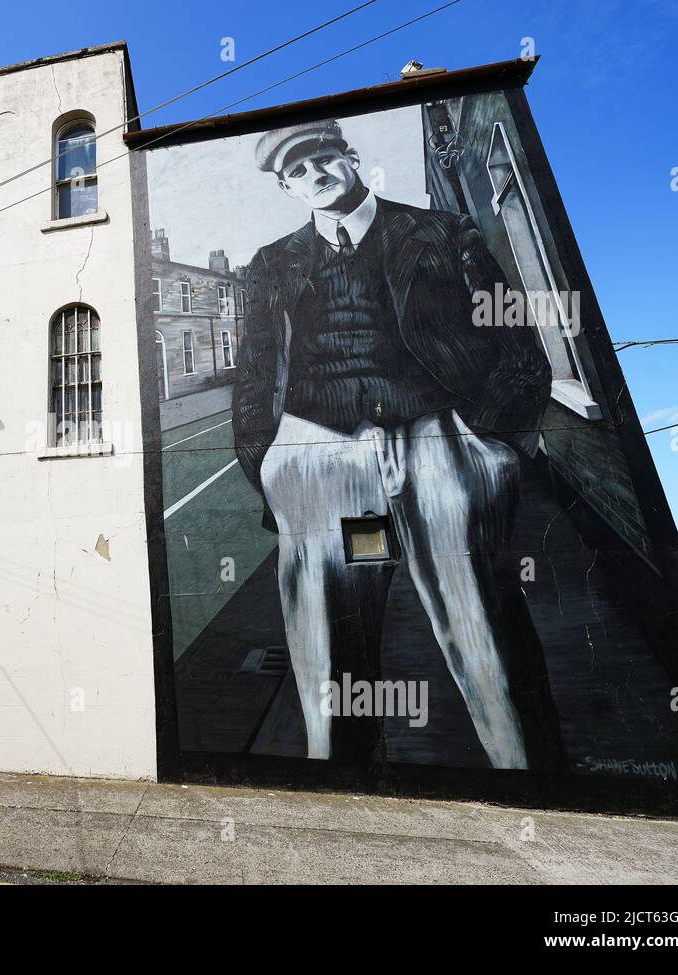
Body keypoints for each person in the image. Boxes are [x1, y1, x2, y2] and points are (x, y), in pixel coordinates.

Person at [232, 118, 566, 771]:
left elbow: (520, 349)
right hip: (318, 457)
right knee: (329, 646)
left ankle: (538, 785)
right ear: (284, 185)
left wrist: (487, 444)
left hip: (436, 439)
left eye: (321, 156)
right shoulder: (272, 265)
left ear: (350, 155)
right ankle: (343, 793)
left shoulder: (442, 233)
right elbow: (254, 373)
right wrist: (270, 464)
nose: (313, 174)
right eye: (295, 169)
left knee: (484, 631)